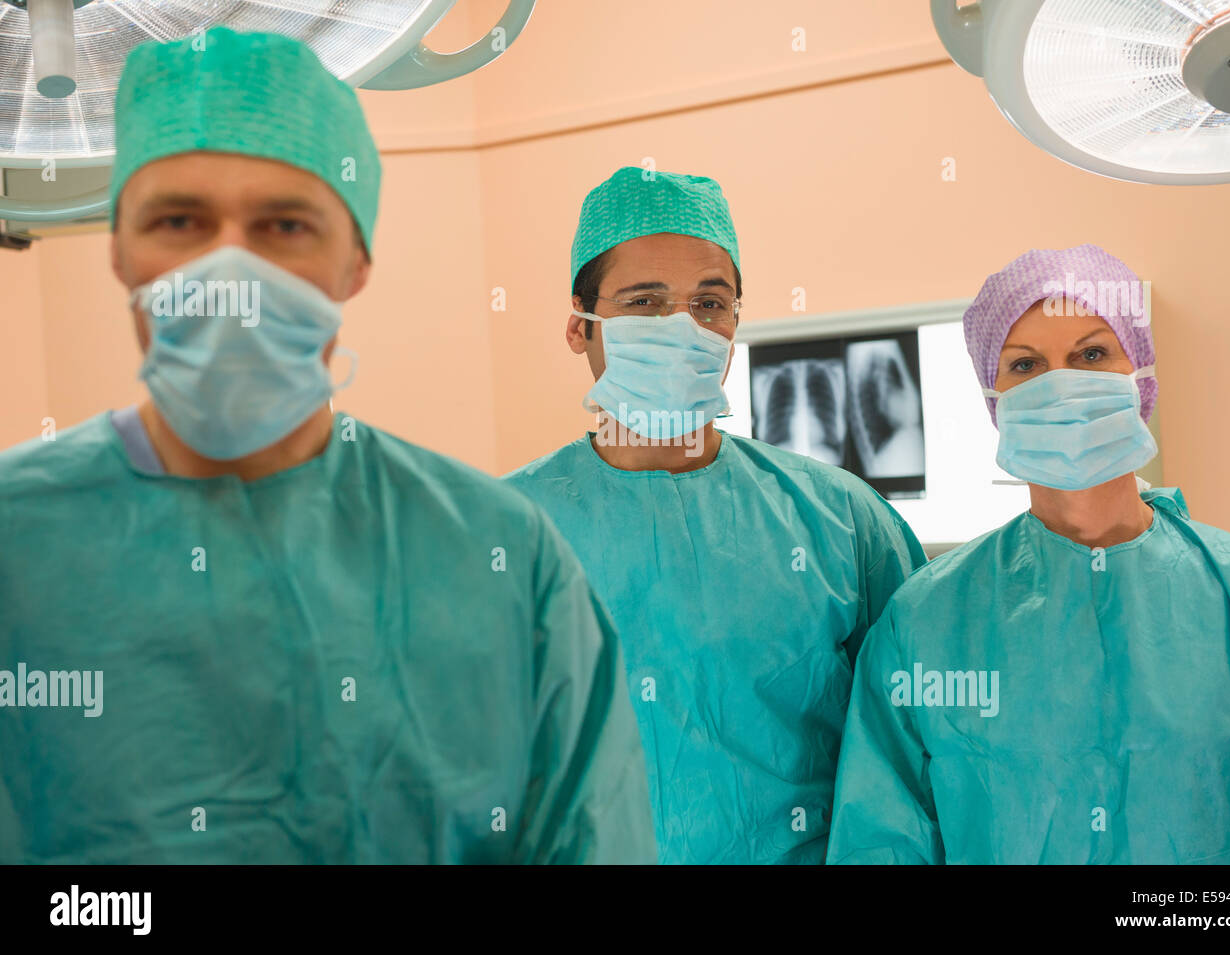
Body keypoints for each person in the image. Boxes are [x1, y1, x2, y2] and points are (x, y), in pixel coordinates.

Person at [0, 28, 655, 865]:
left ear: (357, 261)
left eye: (284, 225)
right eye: (178, 220)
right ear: (120, 250)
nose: (229, 266)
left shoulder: (501, 561)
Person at [504, 167, 927, 864]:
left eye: (709, 302)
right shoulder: (502, 533)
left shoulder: (842, 521)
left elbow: (914, 744)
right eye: (644, 302)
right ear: (579, 326)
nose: (683, 326)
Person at [827, 244, 1230, 864]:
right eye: (1026, 366)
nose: (1061, 385)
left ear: (1142, 375)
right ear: (995, 404)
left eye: (1093, 354)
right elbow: (882, 845)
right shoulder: (925, 621)